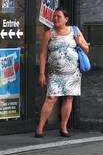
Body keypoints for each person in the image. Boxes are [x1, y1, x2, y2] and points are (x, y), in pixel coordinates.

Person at [36, 7, 89, 137]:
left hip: (72, 73)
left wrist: (79, 43)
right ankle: (40, 127)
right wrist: (42, 73)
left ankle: (63, 127)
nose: (55, 19)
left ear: (66, 19)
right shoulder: (49, 33)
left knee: (68, 99)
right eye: (54, 16)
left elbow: (87, 49)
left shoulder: (75, 31)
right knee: (51, 98)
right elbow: (42, 55)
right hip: (54, 73)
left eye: (58, 16)